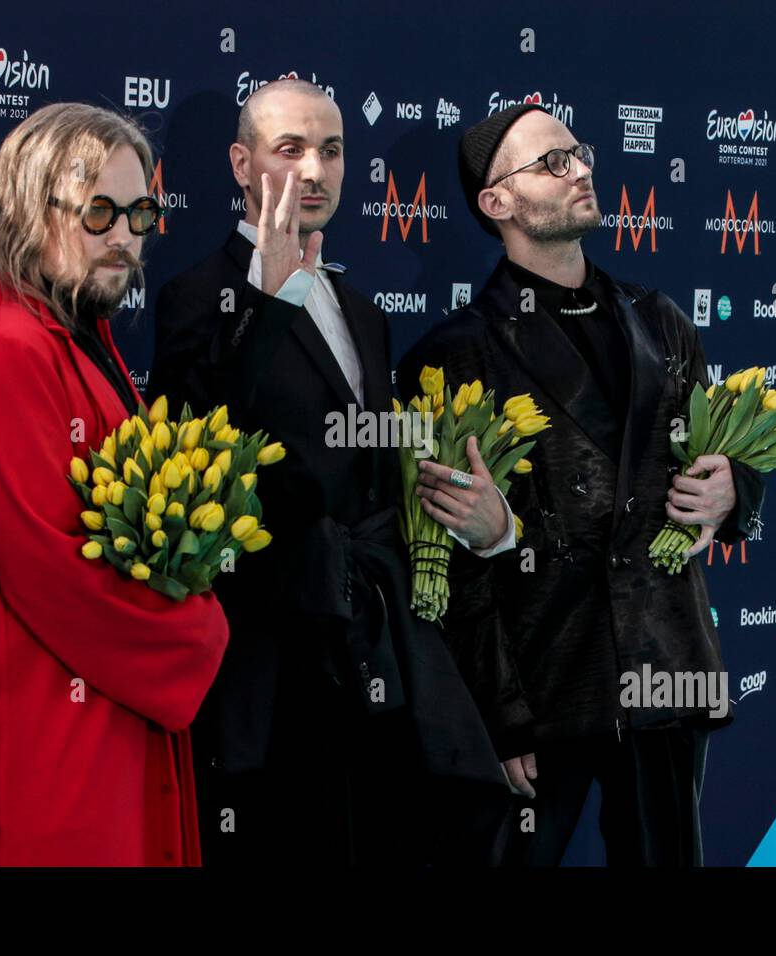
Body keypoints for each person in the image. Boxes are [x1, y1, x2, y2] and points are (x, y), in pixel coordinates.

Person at [147, 79, 512, 865]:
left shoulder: (365, 312)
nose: (315, 170)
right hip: (272, 671)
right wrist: (267, 302)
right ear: (241, 165)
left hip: (373, 652)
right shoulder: (194, 296)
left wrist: (475, 516)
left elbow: (371, 478)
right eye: (291, 150)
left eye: (332, 150)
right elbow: (187, 456)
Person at [396, 103, 767, 866]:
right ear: (497, 200)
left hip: (664, 669)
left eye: (581, 153)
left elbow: (723, 451)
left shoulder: (660, 320)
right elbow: (448, 553)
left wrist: (735, 489)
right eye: (553, 163)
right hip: (542, 682)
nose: (582, 171)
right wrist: (497, 711)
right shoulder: (454, 353)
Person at [0, 103, 228, 866]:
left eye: (140, 214)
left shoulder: (74, 331)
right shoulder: (6, 349)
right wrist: (199, 630)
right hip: (44, 753)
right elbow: (56, 574)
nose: (124, 237)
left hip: (96, 729)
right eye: (98, 213)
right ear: (31, 210)